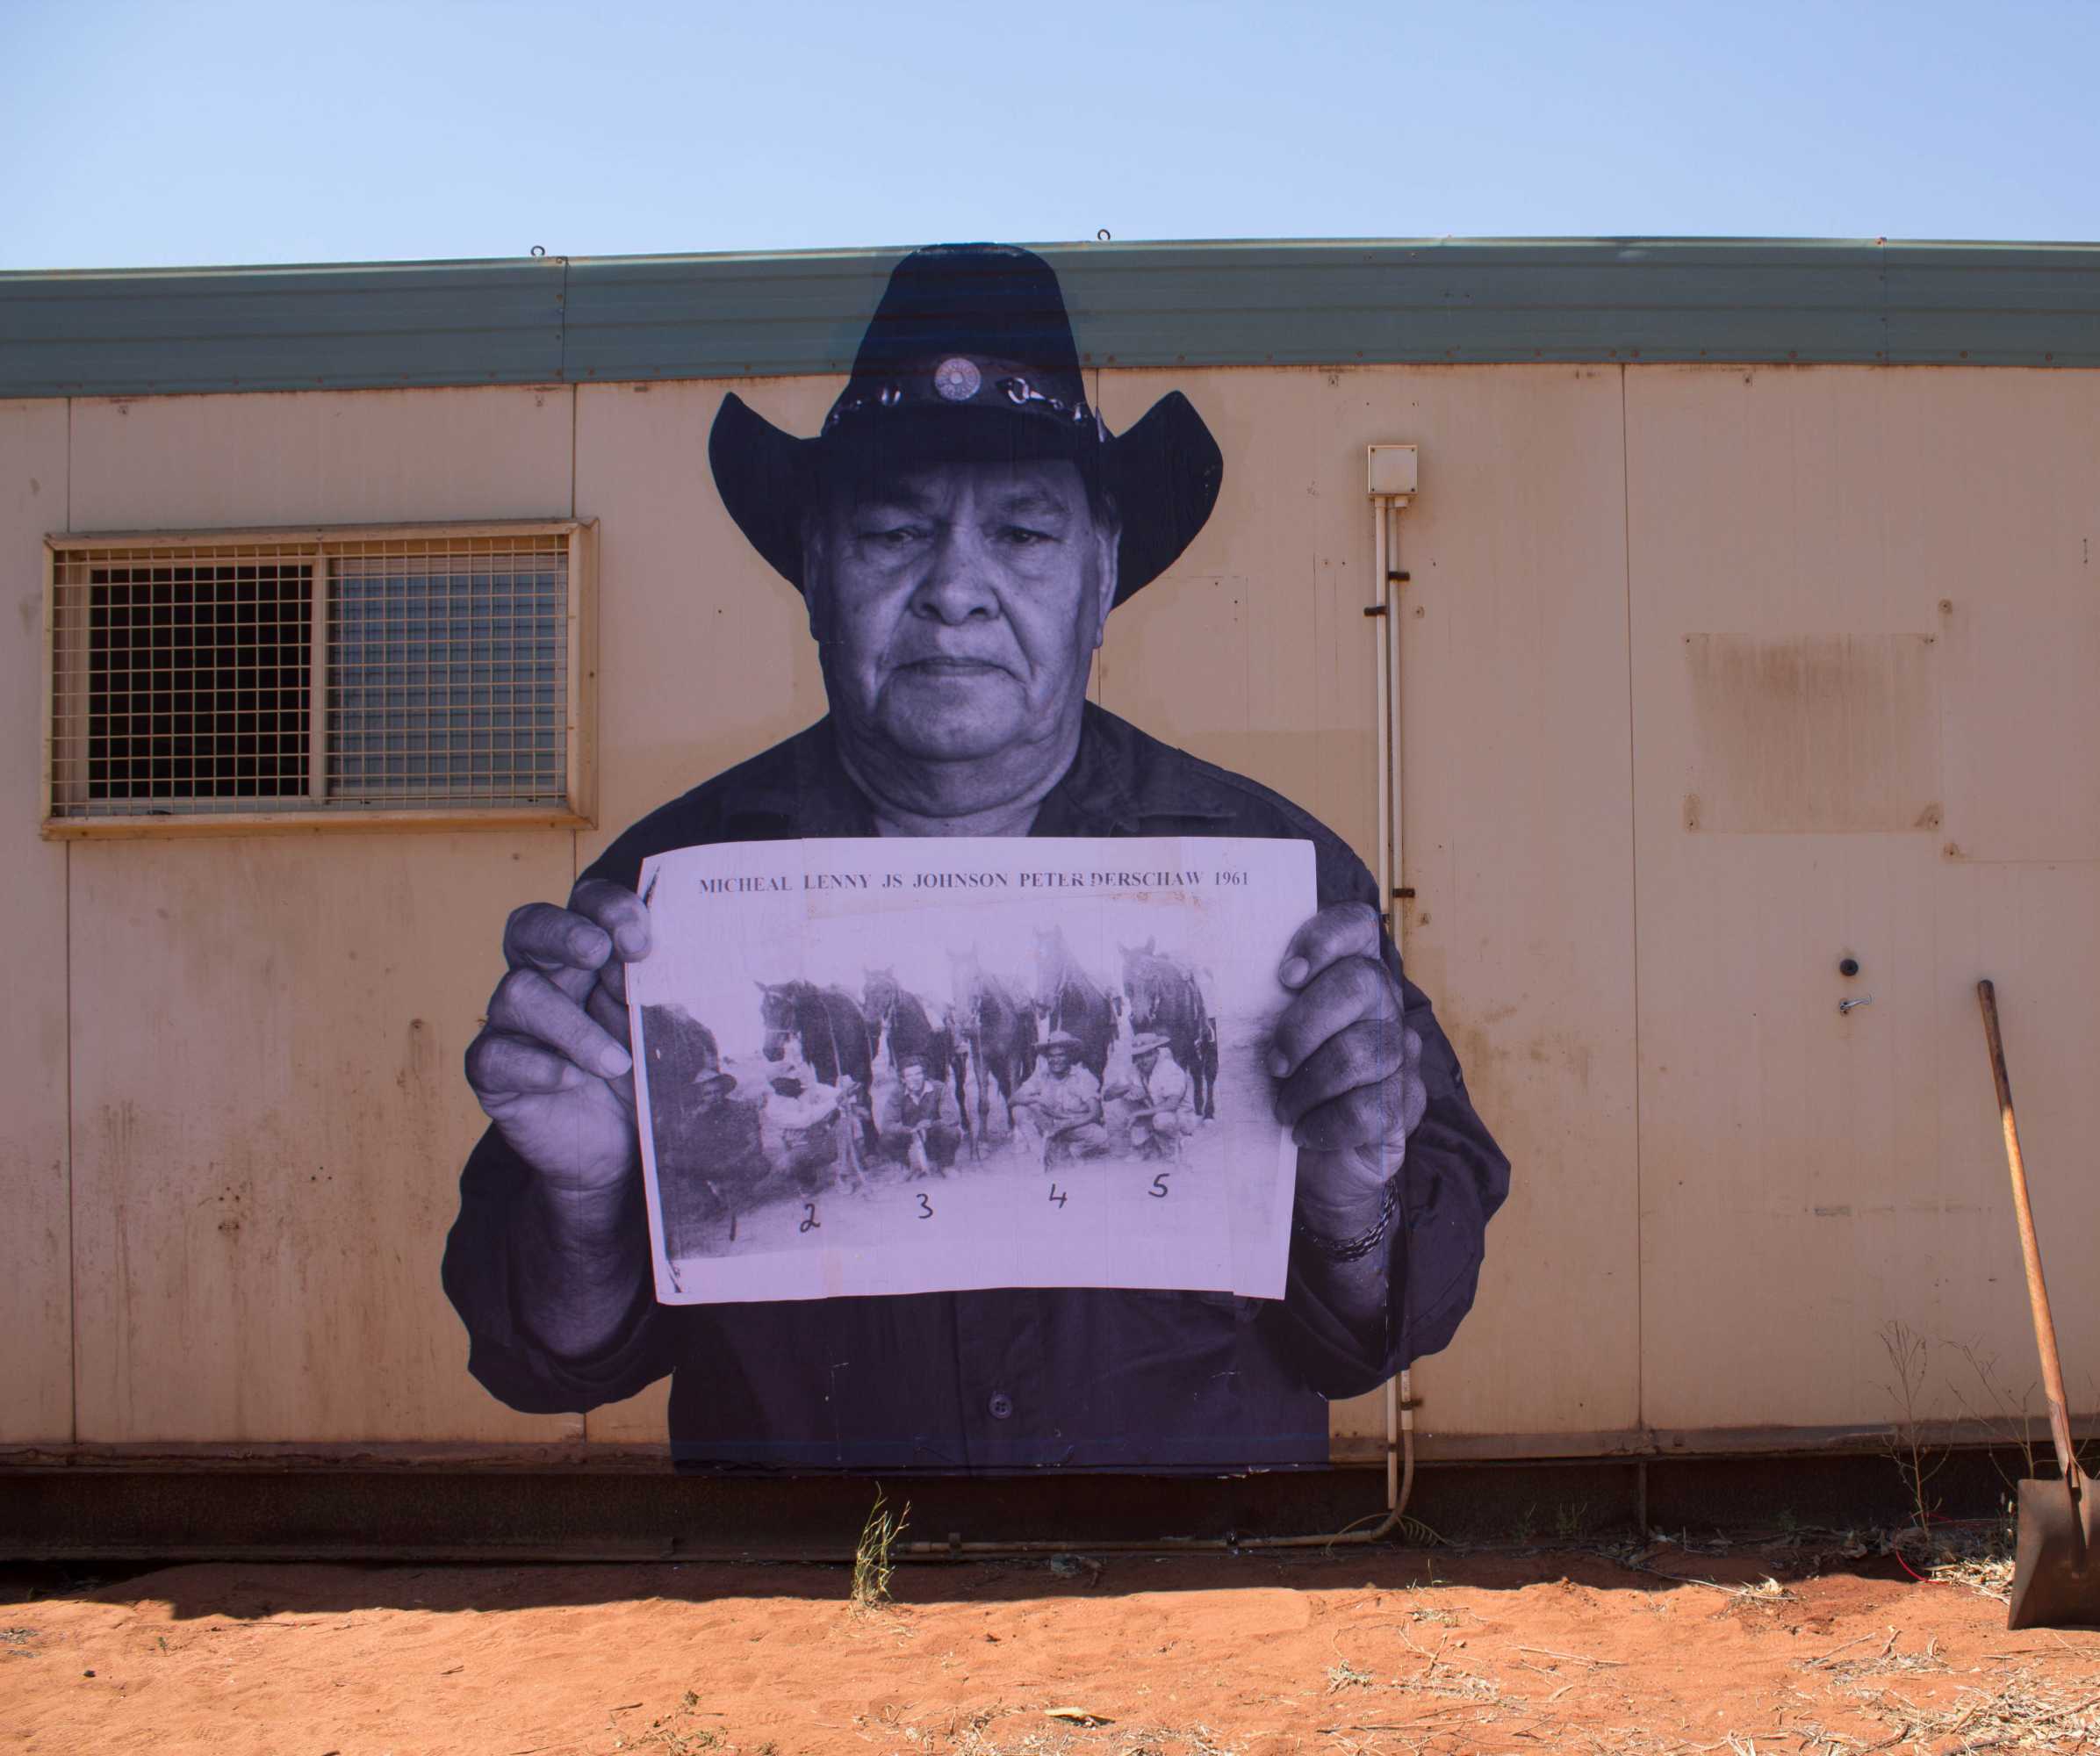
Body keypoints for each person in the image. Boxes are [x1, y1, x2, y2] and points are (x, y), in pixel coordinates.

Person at [443, 242, 1511, 1472]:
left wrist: (1349, 1198)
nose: (956, 588)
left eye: (1022, 534)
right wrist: (583, 1203)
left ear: (1101, 577)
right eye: (894, 532)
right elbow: (552, 1360)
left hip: (1188, 1614)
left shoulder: (1279, 882)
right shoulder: (667, 902)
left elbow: (1385, 1329)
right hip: (814, 1623)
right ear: (814, 571)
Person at [1010, 1035, 1108, 1168]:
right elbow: (1013, 1099)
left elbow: (1095, 1112)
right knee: (1019, 1110)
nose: (1055, 1060)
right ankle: (1041, 1154)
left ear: (1070, 1056)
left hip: (1074, 1124)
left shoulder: (1082, 1076)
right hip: (1048, 1123)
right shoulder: (1042, 1074)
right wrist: (1035, 1098)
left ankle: (1073, 1150)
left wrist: (1066, 1125)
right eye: (1051, 1056)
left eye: (1061, 1055)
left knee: (1100, 1135)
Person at [1107, 1031, 1197, 1160]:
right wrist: (1128, 1087)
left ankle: (1179, 1141)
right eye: (1139, 1056)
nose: (1143, 1060)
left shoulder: (1169, 1068)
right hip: (1154, 1112)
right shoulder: (1134, 1069)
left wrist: (1139, 1113)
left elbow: (1172, 1104)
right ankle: (1148, 1144)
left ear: (1156, 1053)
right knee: (1121, 1104)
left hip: (1179, 1116)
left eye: (1147, 1055)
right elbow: (1108, 1095)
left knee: (1161, 1120)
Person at [872, 1057, 963, 1179]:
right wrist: (908, 1130)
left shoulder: (939, 1088)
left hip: (933, 1134)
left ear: (924, 1075)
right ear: (903, 1080)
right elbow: (887, 1124)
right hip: (910, 1135)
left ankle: (946, 1165)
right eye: (909, 1076)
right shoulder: (897, 1093)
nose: (914, 1079)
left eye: (918, 1074)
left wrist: (931, 1124)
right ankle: (905, 1167)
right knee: (886, 1139)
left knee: (952, 1132)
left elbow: (952, 1117)